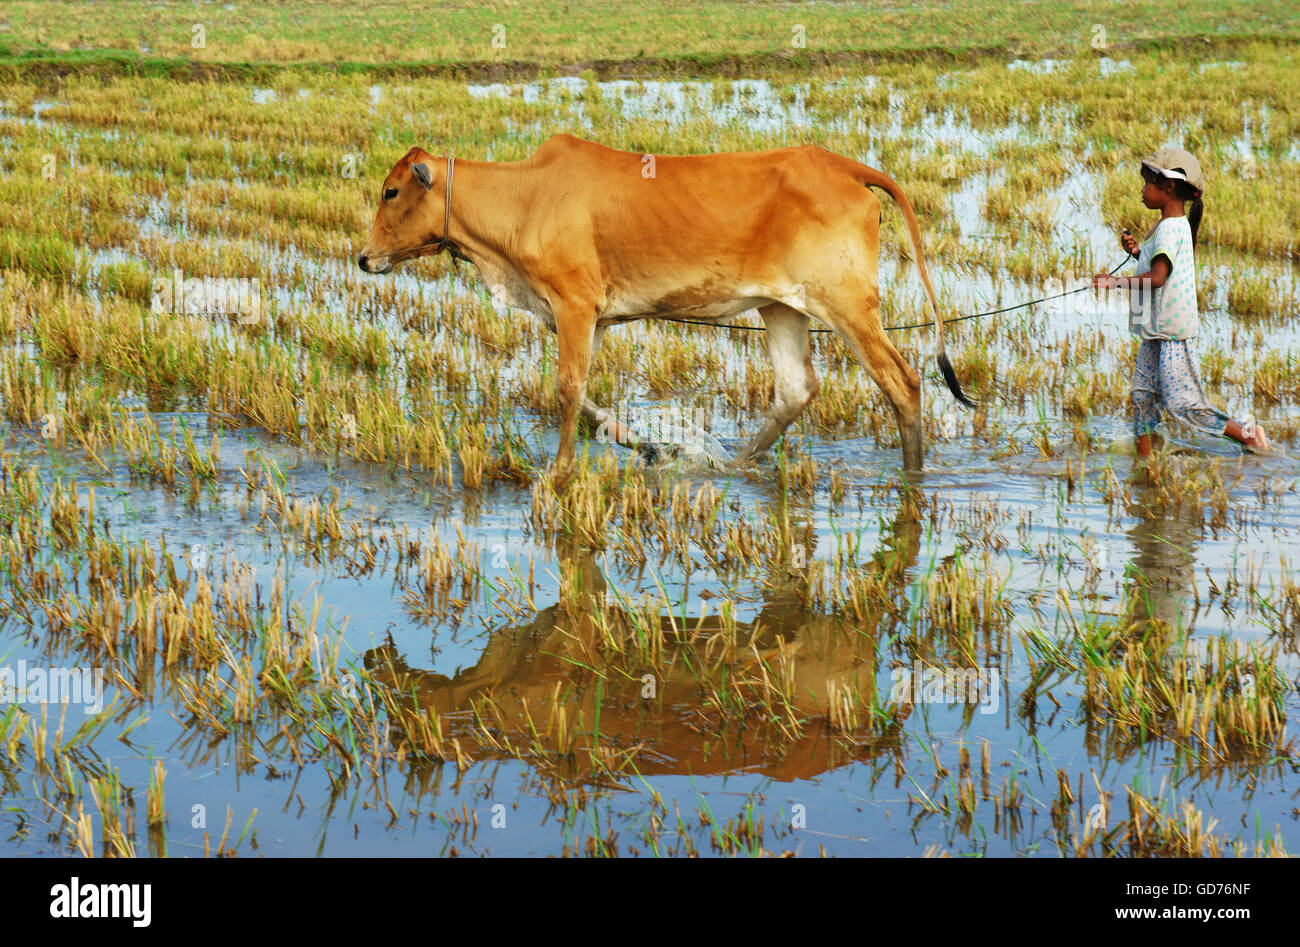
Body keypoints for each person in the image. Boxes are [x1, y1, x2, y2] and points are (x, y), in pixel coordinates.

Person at [1092, 147, 1268, 457]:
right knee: (1142, 396)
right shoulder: (1164, 226)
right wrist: (1136, 254)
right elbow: (1160, 268)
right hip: (1155, 330)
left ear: (1169, 187)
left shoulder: (1172, 229)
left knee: (1183, 404)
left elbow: (1158, 278)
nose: (1142, 191)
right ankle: (1145, 463)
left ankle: (1249, 435)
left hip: (1173, 332)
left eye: (1148, 183)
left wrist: (1114, 282)